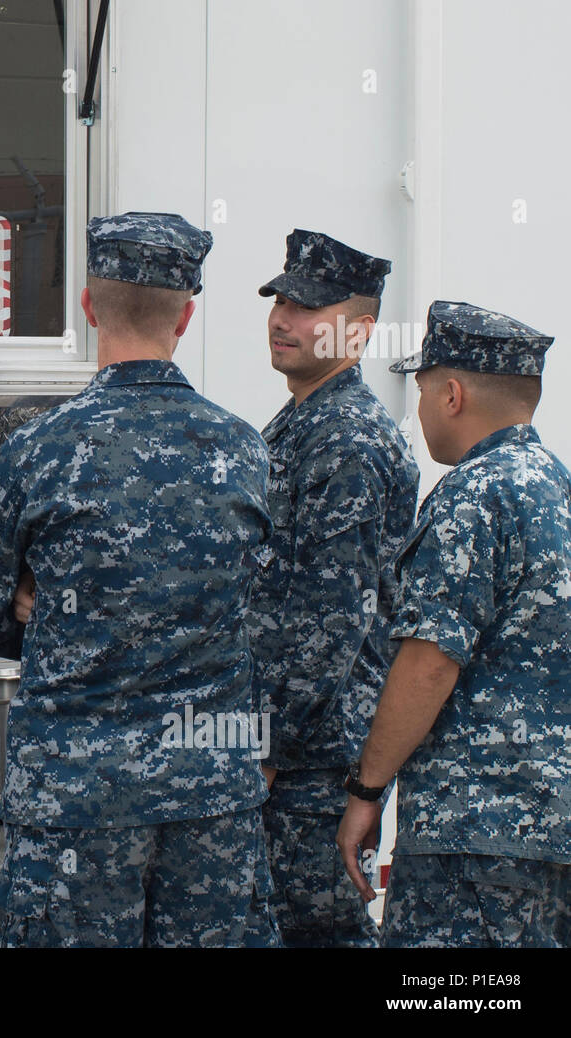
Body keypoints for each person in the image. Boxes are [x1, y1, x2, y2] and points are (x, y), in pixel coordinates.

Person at [0, 212, 278, 947]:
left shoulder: (36, 451)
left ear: (88, 305)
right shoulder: (246, 450)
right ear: (187, 316)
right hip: (211, 798)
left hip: (79, 797)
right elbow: (264, 611)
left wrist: (42, 609)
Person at [337, 301, 571, 948]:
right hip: (552, 827)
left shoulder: (475, 495)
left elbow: (430, 662)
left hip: (474, 832)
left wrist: (366, 791)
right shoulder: (557, 487)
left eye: (420, 392)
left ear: (452, 394)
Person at [247, 230, 420, 946]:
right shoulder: (301, 424)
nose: (284, 319)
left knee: (319, 934)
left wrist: (265, 746)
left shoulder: (346, 441)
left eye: (309, 306)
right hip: (292, 757)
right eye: (280, 300)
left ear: (360, 329)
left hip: (312, 764)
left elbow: (329, 624)